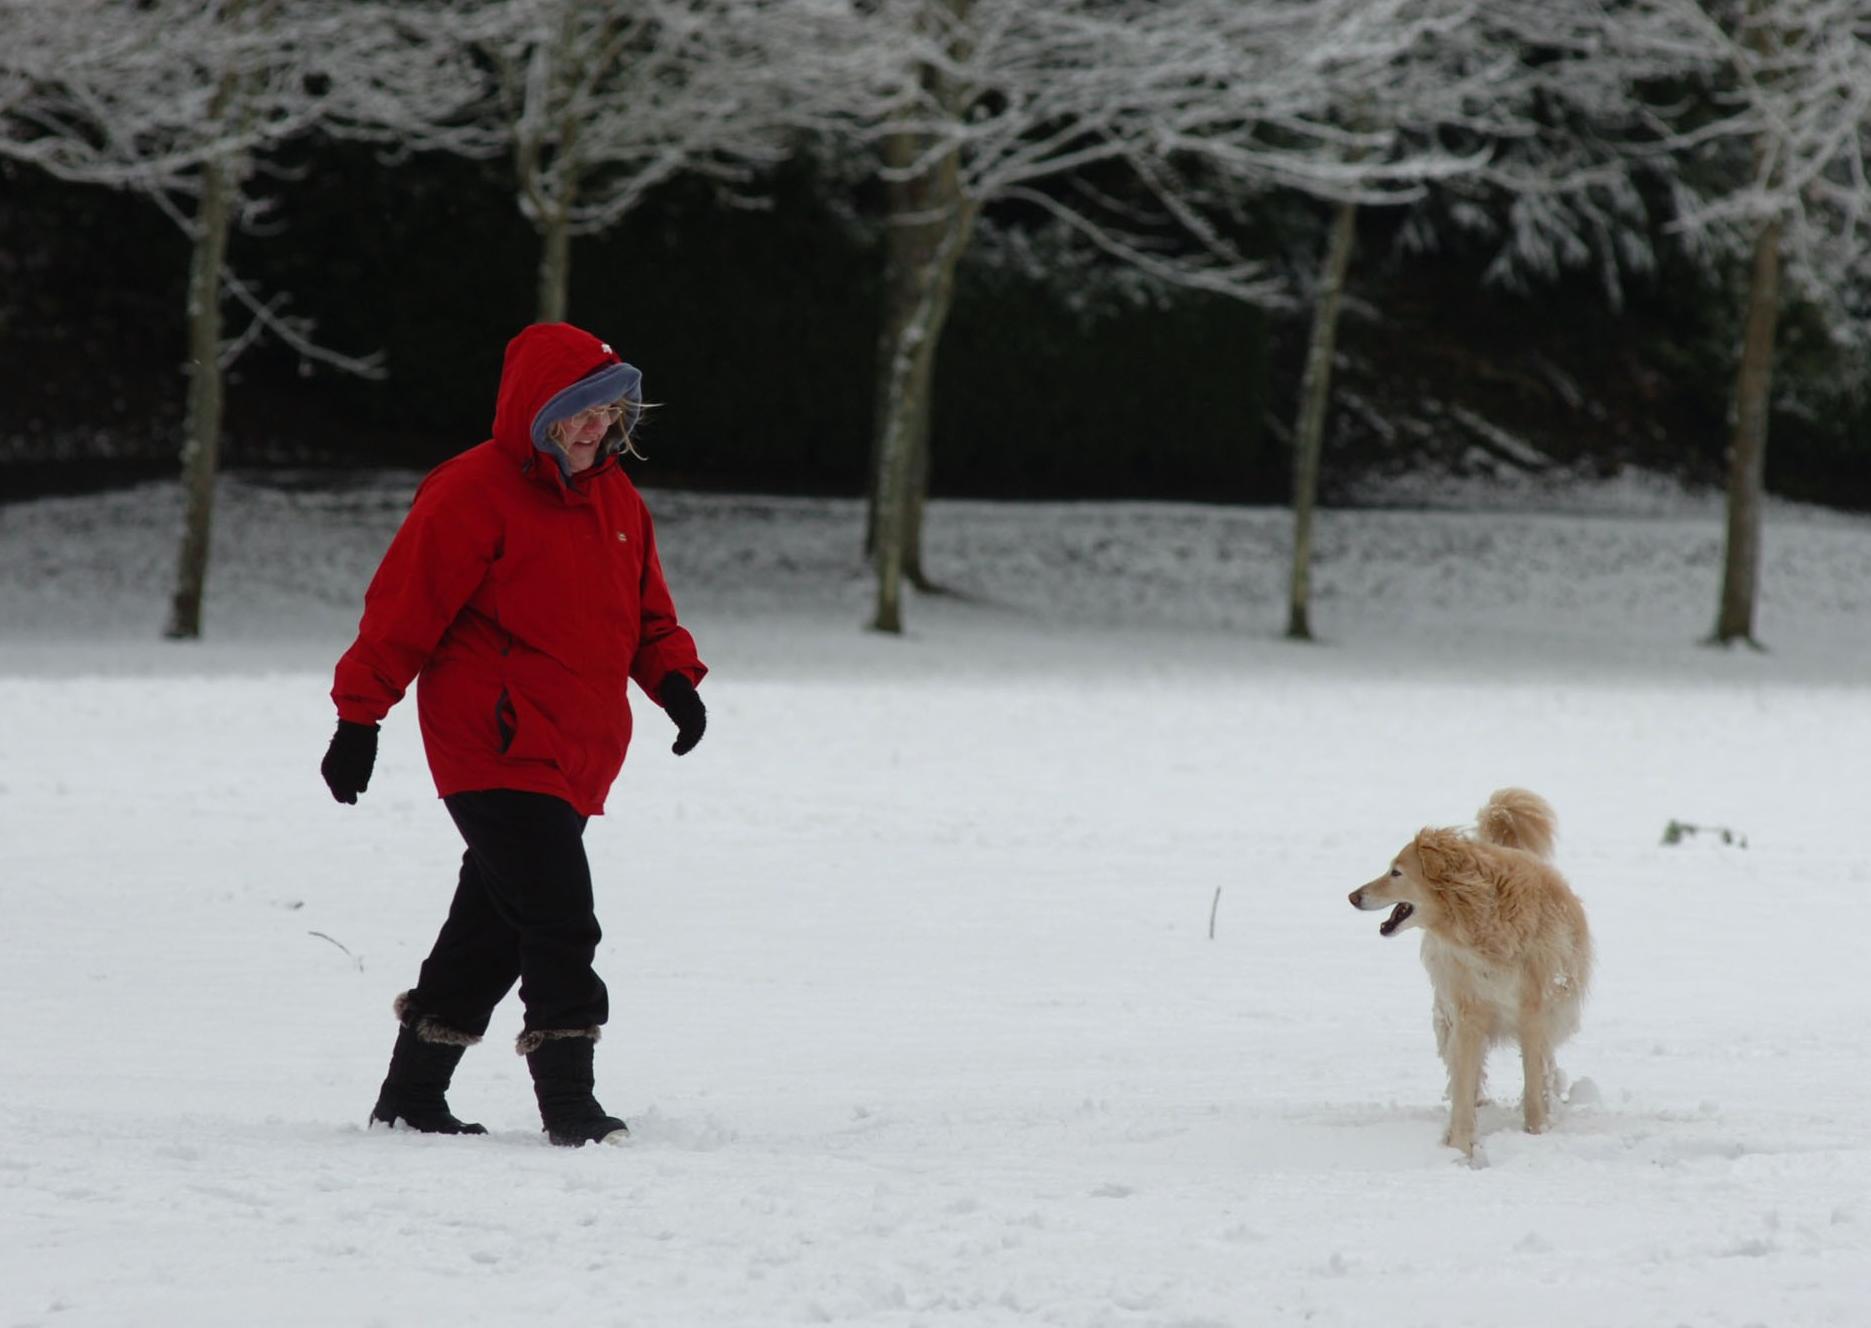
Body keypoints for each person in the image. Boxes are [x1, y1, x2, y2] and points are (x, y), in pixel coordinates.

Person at [319, 321, 707, 1147]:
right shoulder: (471, 491)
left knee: (491, 927)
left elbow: (646, 618)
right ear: (537, 411)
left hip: (573, 751)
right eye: (576, 410)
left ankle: (410, 1098)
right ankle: (568, 1101)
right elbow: (403, 612)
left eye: (608, 409)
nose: (595, 425)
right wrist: (359, 717)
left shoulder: (617, 501)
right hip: (490, 748)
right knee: (560, 917)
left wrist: (675, 682)